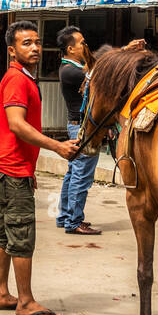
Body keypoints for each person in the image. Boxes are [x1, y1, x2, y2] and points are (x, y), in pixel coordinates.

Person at [0, 20, 78, 315]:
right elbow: (17, 124)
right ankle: (25, 302)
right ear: (12, 50)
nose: (35, 47)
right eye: (27, 43)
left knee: (5, 231)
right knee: (22, 233)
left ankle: (1, 293)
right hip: (10, 169)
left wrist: (31, 168)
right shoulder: (17, 80)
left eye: (37, 42)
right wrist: (57, 146)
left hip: (7, 167)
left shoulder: (22, 78)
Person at [56, 26, 101, 236]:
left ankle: (65, 216)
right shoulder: (71, 71)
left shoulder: (73, 67)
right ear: (71, 49)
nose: (85, 45)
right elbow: (98, 70)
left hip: (77, 126)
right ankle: (73, 221)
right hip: (82, 127)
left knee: (73, 173)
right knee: (81, 175)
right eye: (81, 42)